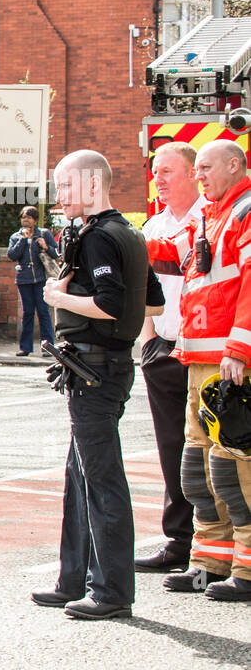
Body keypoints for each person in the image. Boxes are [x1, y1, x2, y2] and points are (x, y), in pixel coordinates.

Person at [33, 149, 165, 620]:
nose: (60, 196)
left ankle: (111, 592)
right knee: (80, 474)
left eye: (66, 186)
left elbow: (110, 304)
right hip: (102, 368)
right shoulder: (128, 231)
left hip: (95, 372)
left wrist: (58, 295)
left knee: (101, 478)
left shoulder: (96, 237)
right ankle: (74, 580)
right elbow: (151, 302)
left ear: (91, 184)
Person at [144, 139, 251, 601]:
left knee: (233, 468)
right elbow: (165, 253)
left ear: (234, 164)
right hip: (197, 361)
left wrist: (239, 351)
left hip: (228, 365)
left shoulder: (244, 212)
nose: (200, 175)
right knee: (197, 467)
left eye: (206, 167)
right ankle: (209, 561)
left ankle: (246, 569)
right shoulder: (209, 216)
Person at [134, 142, 205, 574]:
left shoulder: (209, 220)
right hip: (163, 347)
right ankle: (179, 540)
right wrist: (147, 343)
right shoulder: (154, 225)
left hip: (201, 351)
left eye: (167, 172)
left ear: (194, 173)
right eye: (155, 171)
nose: (158, 179)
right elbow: (146, 292)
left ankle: (217, 541)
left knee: (213, 450)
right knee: (170, 447)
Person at [6, 206, 59, 356]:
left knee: (43, 312)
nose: (25, 220)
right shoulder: (16, 237)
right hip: (23, 279)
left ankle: (48, 347)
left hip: (40, 279)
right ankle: (25, 347)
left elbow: (56, 253)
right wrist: (23, 240)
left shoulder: (44, 234)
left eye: (29, 217)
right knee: (28, 312)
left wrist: (45, 246)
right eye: (23, 217)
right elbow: (12, 255)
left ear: (35, 220)